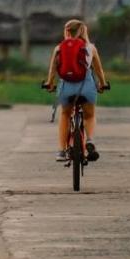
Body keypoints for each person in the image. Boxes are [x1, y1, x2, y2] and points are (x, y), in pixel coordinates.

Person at [43, 19, 109, 163]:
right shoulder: (90, 47)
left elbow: (52, 70)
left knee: (65, 114)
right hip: (87, 88)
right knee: (89, 116)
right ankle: (90, 141)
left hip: (66, 88)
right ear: (83, 30)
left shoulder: (59, 48)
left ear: (66, 31)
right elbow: (99, 70)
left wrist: (49, 83)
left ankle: (61, 151)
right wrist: (103, 84)